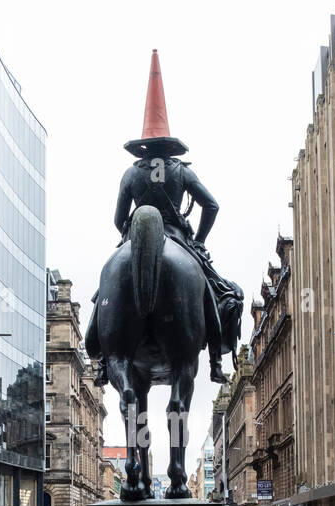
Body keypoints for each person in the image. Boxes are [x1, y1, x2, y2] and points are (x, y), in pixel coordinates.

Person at [84, 51, 243, 386]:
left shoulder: (131, 174)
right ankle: (215, 360)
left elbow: (118, 219)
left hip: (132, 240)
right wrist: (197, 241)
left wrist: (129, 236)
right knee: (216, 292)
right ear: (169, 147)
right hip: (179, 239)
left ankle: (101, 362)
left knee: (103, 293)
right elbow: (211, 206)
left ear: (145, 147)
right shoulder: (182, 171)